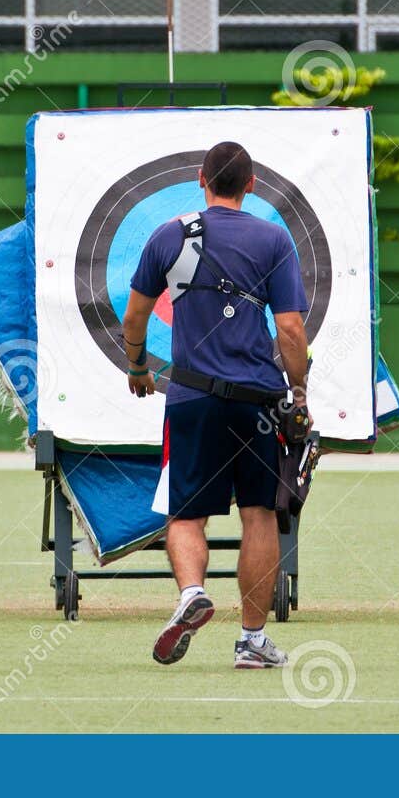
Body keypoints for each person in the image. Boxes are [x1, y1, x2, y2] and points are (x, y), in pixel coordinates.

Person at [120, 141, 311, 669]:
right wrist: (299, 391)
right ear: (251, 185)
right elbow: (291, 329)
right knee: (259, 515)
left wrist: (137, 367)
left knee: (186, 513)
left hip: (191, 398)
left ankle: (190, 595)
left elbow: (134, 320)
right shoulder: (273, 238)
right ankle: (251, 641)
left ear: (201, 179)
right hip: (257, 402)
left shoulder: (169, 235)